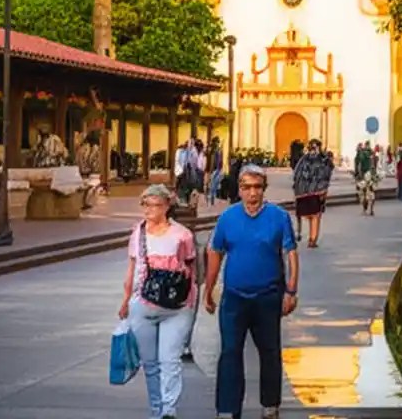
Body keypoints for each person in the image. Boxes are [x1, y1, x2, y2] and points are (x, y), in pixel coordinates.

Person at [204, 165, 299, 419]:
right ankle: (227, 408)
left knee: (269, 351)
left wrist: (291, 290)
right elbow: (215, 251)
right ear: (239, 190)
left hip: (268, 296)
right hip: (234, 297)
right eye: (246, 187)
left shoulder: (278, 217)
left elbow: (290, 254)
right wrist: (209, 288)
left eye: (257, 187)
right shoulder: (228, 218)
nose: (252, 193)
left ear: (264, 190)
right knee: (230, 352)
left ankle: (270, 405)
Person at [118, 184, 197, 419]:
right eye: (146, 204)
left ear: (166, 206)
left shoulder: (182, 234)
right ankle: (157, 409)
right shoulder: (138, 233)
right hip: (143, 303)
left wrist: (191, 300)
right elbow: (132, 268)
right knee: (150, 364)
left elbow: (191, 270)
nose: (150, 209)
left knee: (170, 361)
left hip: (177, 307)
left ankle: (168, 410)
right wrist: (125, 300)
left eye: (156, 205)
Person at [291, 140, 332, 247]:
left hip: (303, 192)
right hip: (315, 191)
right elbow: (326, 173)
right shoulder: (322, 160)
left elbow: (296, 174)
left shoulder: (303, 159)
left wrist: (297, 190)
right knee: (315, 216)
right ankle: (312, 239)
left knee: (309, 215)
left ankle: (308, 236)